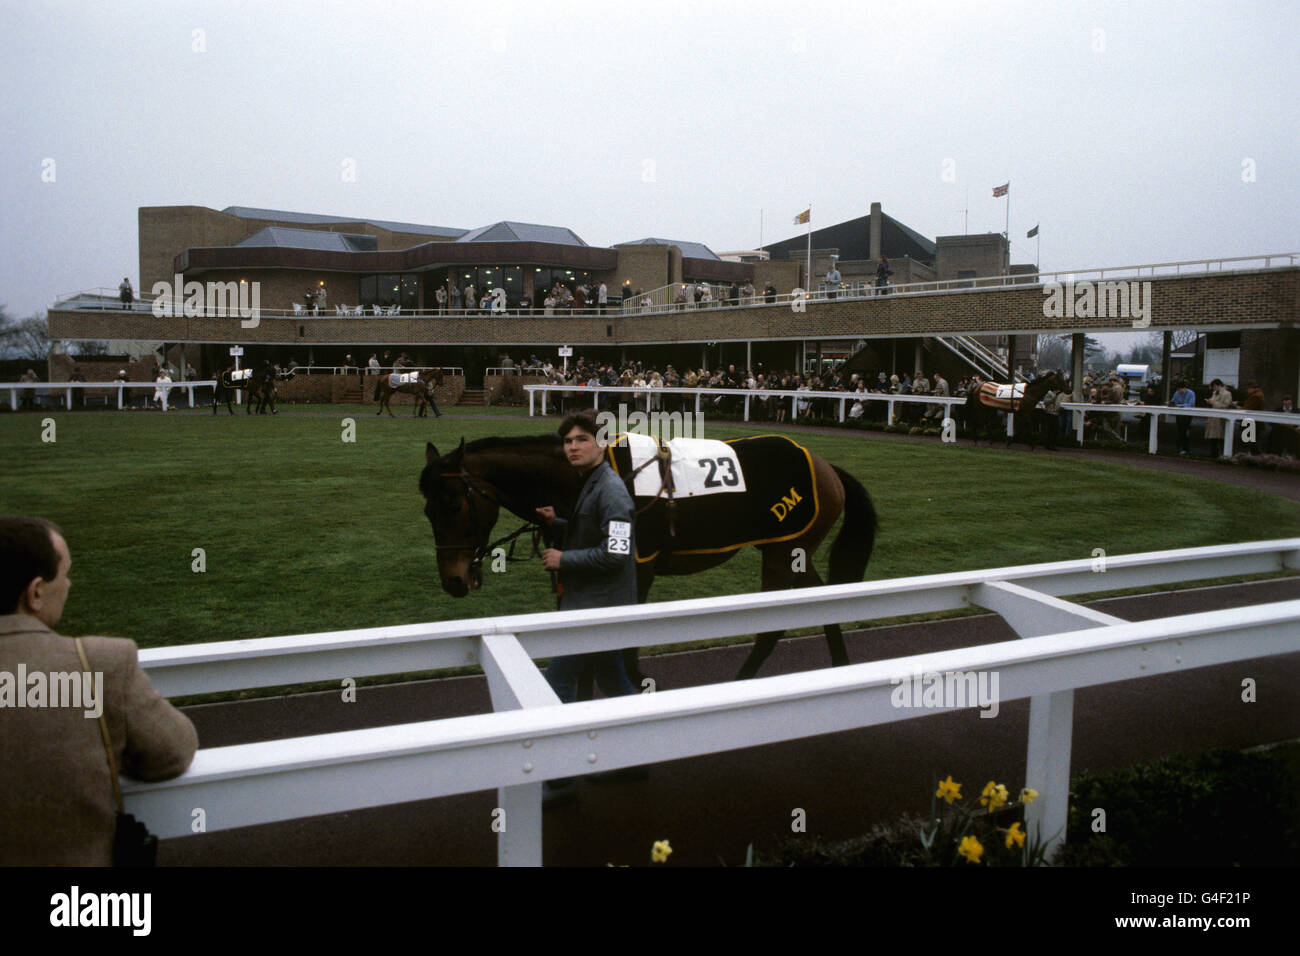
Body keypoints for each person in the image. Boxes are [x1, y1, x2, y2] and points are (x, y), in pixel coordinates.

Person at [0, 516, 198, 864]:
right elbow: (173, 751)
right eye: (64, 575)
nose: (70, 585)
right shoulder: (99, 663)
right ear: (35, 592)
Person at [534, 411, 639, 708]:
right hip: (596, 607)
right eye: (568, 441)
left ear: (603, 443)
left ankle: (568, 749)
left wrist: (563, 559)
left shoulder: (612, 491)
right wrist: (559, 523)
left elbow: (616, 554)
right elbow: (593, 532)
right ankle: (641, 736)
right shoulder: (593, 480)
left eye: (582, 439)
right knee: (612, 681)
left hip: (598, 610)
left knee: (556, 684)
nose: (572, 447)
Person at [1170, 380, 1196, 455]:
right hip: (1179, 414)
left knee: (1185, 431)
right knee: (1179, 430)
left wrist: (1180, 405)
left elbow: (1191, 404)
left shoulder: (1191, 393)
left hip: (1187, 415)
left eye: (1179, 389)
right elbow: (1173, 401)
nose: (1178, 391)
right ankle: (1178, 447)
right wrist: (1171, 403)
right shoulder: (1177, 393)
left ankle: (1186, 449)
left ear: (1184, 388)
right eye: (1177, 390)